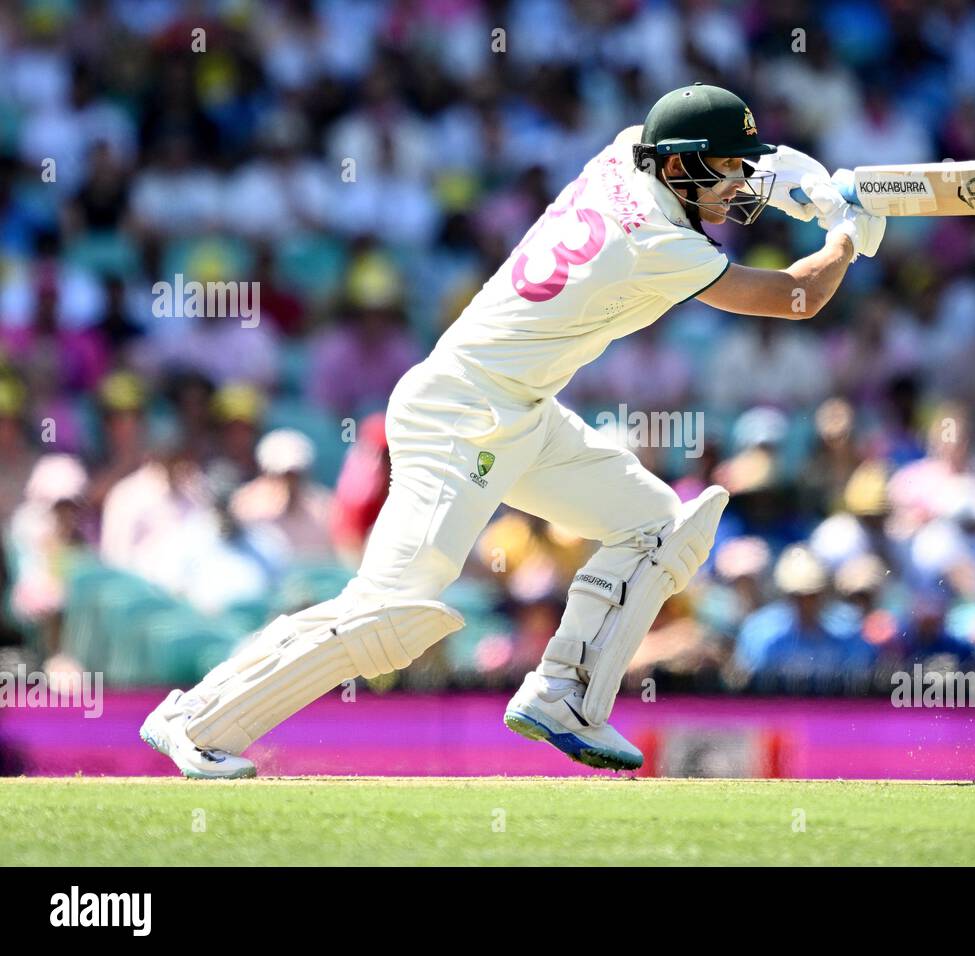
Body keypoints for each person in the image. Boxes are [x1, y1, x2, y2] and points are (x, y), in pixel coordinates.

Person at [140, 84, 886, 778]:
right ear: (682, 167)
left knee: (659, 527)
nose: (736, 186)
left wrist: (810, 187)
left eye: (738, 170)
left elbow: (738, 165)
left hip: (519, 408)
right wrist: (845, 234)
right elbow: (796, 297)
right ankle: (195, 720)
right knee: (390, 615)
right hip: (461, 415)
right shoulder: (661, 247)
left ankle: (565, 694)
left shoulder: (626, 152)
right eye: (724, 171)